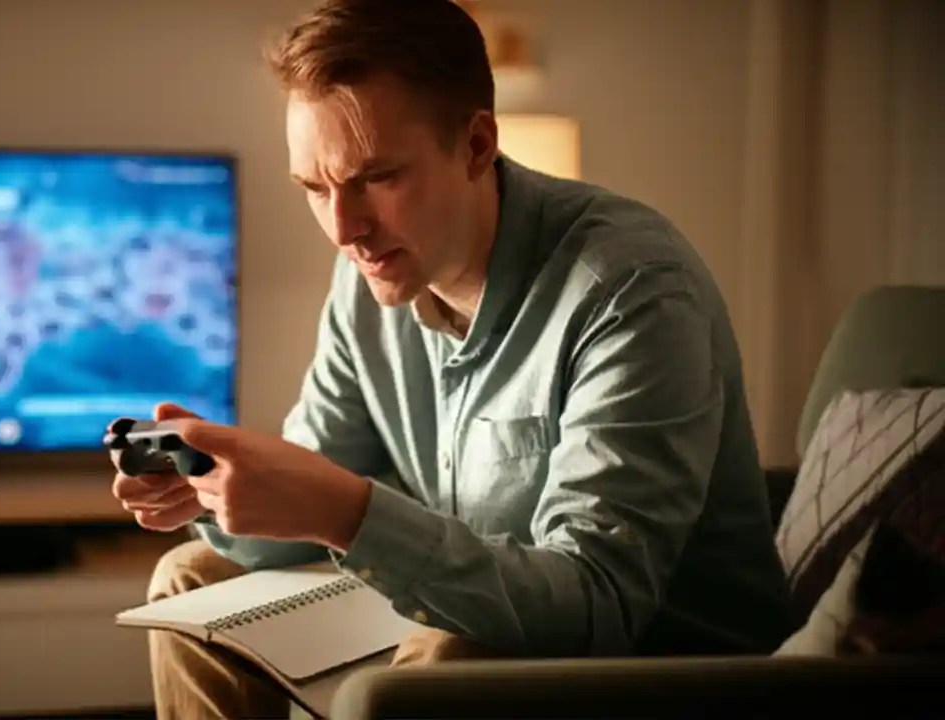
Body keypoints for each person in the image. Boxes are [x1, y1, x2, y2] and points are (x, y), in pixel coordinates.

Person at [111, 0, 796, 716]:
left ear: (476, 146)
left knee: (453, 650)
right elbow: (313, 497)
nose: (345, 229)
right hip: (472, 611)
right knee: (193, 574)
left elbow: (600, 604)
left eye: (377, 178)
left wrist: (345, 512)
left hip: (673, 666)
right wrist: (220, 493)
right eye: (316, 188)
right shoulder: (368, 278)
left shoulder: (630, 288)